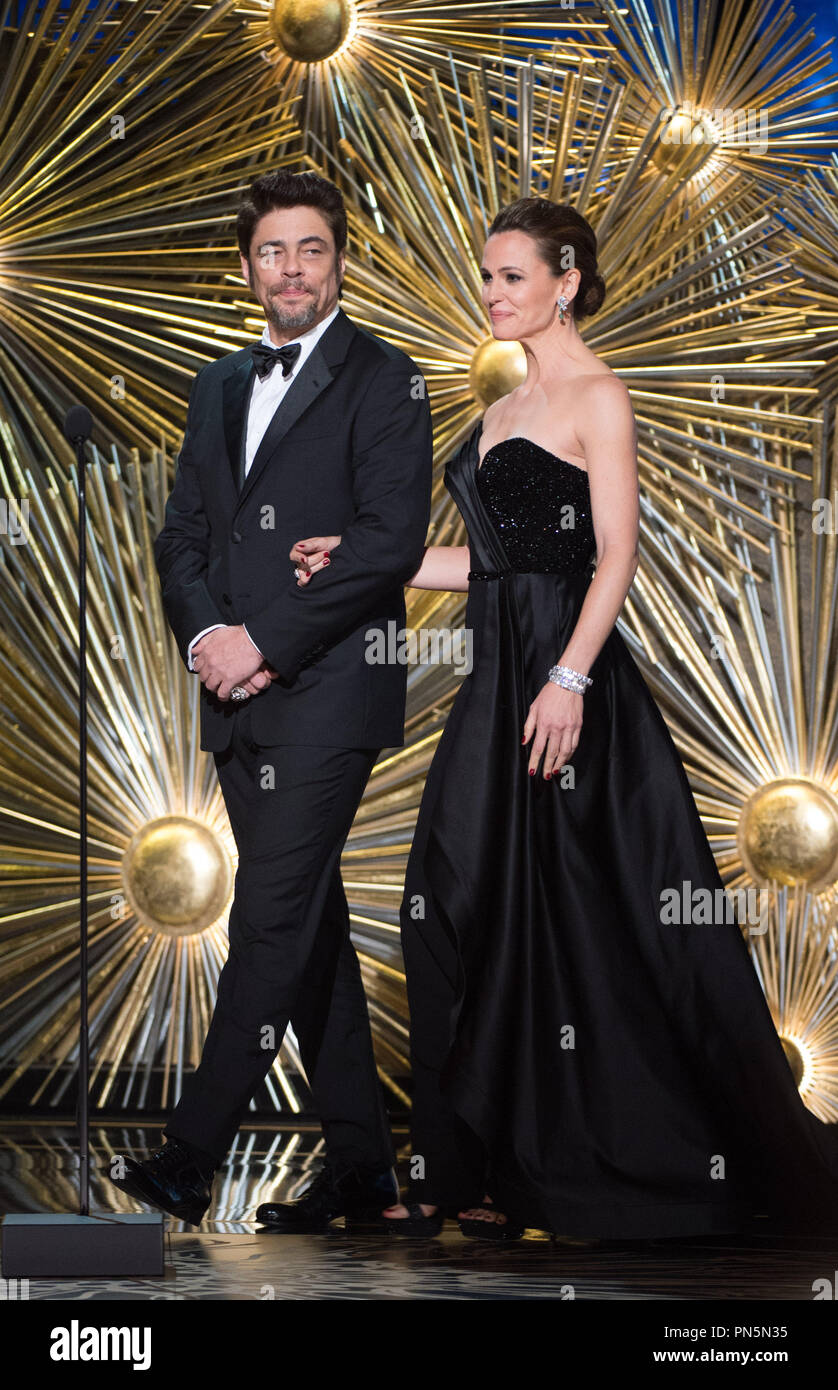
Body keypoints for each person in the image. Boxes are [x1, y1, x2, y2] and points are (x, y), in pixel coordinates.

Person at [294, 196, 838, 1243]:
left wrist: (571, 681)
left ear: (565, 281)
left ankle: (555, 1167)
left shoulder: (597, 395)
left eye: (510, 276)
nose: (492, 293)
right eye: (486, 276)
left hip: (567, 689)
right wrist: (360, 562)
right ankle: (476, 1166)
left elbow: (613, 556)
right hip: (498, 680)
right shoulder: (501, 408)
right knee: (449, 903)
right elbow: (487, 565)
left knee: (600, 926)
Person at [109, 170, 433, 1231]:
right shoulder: (215, 384)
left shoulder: (386, 379)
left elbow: (388, 538)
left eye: (310, 249)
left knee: (268, 921)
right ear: (247, 266)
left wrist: (266, 642)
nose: (290, 268)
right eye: (271, 251)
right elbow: (182, 536)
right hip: (235, 699)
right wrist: (209, 639)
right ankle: (364, 1171)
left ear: (339, 260)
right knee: (309, 932)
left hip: (328, 696)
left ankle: (188, 1158)